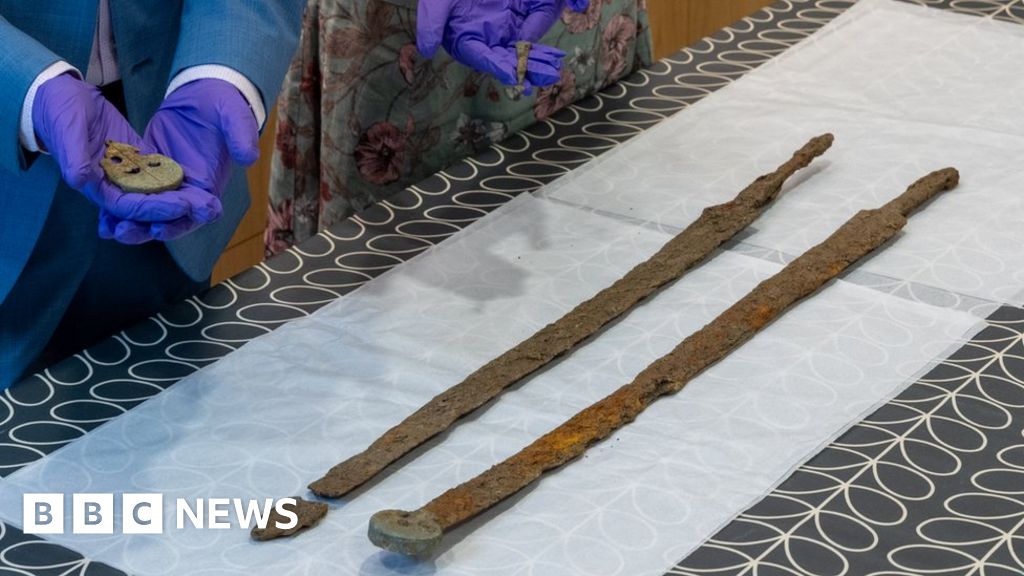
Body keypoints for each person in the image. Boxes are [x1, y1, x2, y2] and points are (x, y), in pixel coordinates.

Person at [0, 2, 306, 389]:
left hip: (175, 147)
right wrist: (24, 87)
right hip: (12, 156)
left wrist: (219, 70)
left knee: (174, 406)